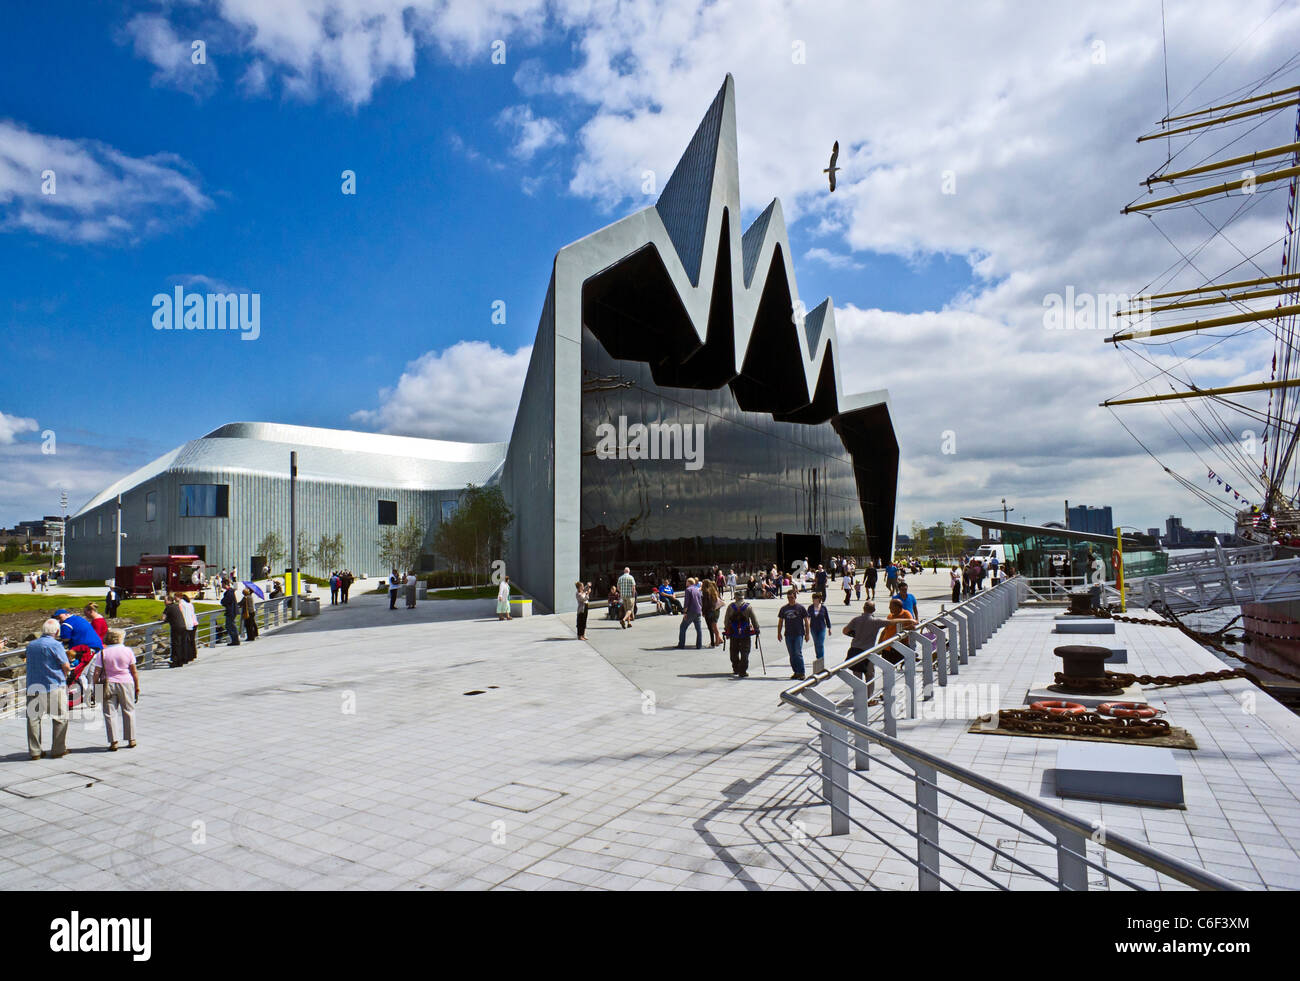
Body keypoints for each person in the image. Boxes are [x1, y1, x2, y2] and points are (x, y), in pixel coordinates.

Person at [25, 619, 70, 760]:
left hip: (33, 685)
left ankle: (35, 751)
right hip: (53, 685)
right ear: (57, 631)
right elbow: (66, 665)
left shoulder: (31, 645)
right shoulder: (56, 645)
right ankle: (58, 749)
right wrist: (66, 676)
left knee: (33, 720)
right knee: (60, 718)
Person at [91, 627, 139, 751]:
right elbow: (133, 671)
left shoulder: (102, 653)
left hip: (108, 683)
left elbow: (96, 673)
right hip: (126, 682)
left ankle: (113, 741)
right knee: (128, 710)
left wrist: (95, 687)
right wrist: (137, 686)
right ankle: (131, 738)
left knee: (109, 713)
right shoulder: (128, 651)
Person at [843, 600, 889, 683]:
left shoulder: (856, 620)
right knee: (870, 675)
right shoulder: (876, 621)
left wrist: (854, 634)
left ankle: (860, 695)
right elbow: (892, 622)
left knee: (857, 677)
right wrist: (910, 621)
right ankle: (869, 695)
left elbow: (845, 631)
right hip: (869, 651)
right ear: (874, 610)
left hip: (855, 650)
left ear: (863, 608)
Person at [723, 590, 761, 677]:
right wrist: (757, 629)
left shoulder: (731, 606)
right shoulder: (748, 607)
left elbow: (726, 619)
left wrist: (727, 629)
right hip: (745, 633)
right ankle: (743, 670)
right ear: (743, 597)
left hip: (734, 633)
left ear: (736, 597)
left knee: (734, 651)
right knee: (745, 651)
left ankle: (736, 668)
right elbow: (754, 619)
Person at [776, 588, 810, 681]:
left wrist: (807, 634)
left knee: (797, 653)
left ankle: (801, 672)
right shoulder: (784, 609)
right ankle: (796, 672)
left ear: (795, 597)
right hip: (788, 634)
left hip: (799, 633)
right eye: (788, 597)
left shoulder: (800, 608)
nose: (790, 599)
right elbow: (780, 622)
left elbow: (806, 621)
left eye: (791, 597)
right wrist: (779, 633)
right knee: (791, 654)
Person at [163, 594, 190, 666]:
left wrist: (165, 619)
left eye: (165, 600)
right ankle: (182, 660)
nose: (164, 602)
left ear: (169, 601)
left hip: (176, 627)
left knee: (176, 644)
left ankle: (175, 661)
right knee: (181, 643)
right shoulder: (176, 606)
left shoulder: (168, 607)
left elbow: (163, 618)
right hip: (183, 626)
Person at [677, 577, 704, 649]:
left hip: (691, 611)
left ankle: (681, 644)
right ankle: (699, 645)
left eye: (686, 582)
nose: (685, 583)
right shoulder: (697, 589)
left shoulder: (688, 590)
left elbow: (687, 602)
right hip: (698, 610)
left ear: (689, 583)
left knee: (683, 627)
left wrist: (685, 612)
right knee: (698, 629)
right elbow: (700, 600)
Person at [808, 591, 831, 666]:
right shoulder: (810, 607)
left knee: (820, 644)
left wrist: (829, 628)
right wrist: (807, 629)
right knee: (816, 643)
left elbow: (827, 618)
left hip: (822, 628)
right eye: (813, 599)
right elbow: (808, 618)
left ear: (819, 600)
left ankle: (820, 659)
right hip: (813, 628)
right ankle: (818, 657)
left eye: (816, 599)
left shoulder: (823, 608)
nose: (814, 601)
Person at [702, 579, 723, 647]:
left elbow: (706, 603)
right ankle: (719, 639)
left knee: (713, 627)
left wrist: (704, 611)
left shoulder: (706, 592)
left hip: (710, 611)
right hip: (716, 610)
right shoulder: (714, 591)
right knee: (714, 626)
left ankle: (715, 642)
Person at [179, 592, 199, 663]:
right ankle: (193, 654)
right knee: (192, 640)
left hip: (189, 623)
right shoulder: (190, 604)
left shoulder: (182, 605)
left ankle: (188, 656)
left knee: (187, 641)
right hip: (194, 623)